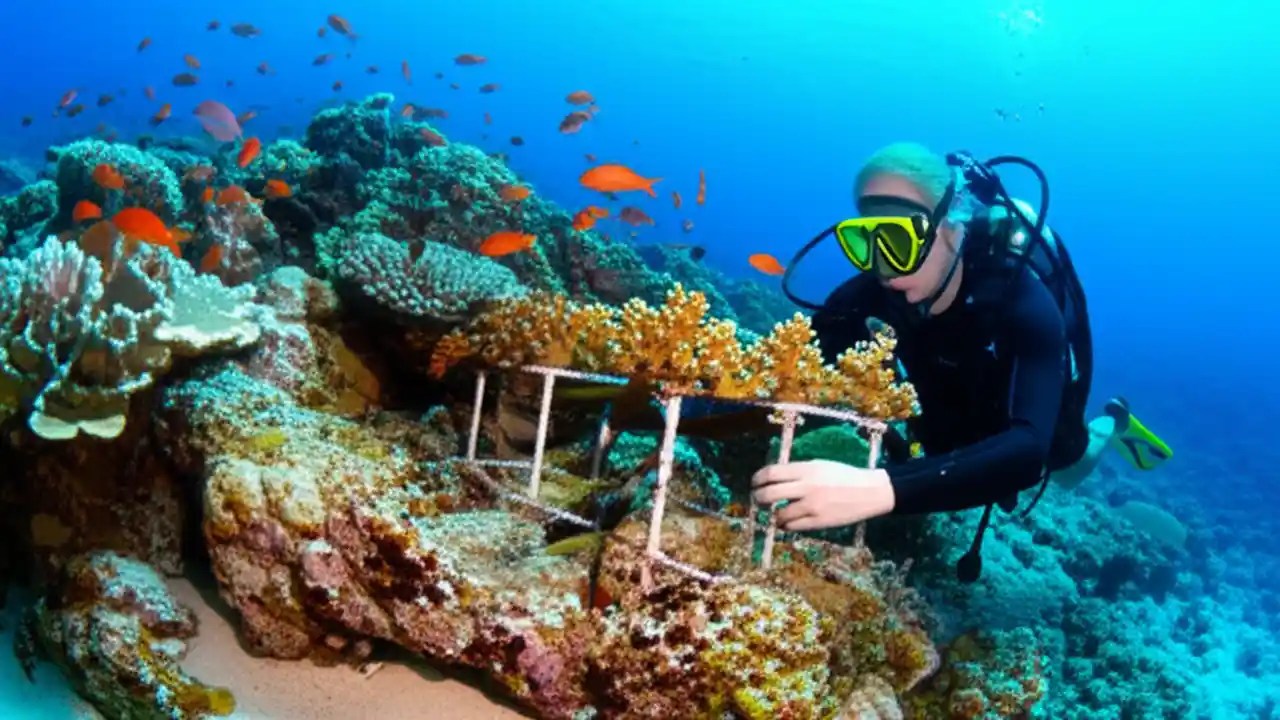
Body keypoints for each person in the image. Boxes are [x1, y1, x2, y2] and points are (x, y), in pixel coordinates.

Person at [751, 143, 1172, 580]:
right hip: (951, 420)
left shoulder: (1020, 299)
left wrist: (880, 489)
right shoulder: (871, 294)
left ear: (952, 228)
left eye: (898, 240)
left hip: (1026, 423)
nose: (884, 270)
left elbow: (1027, 453)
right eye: (866, 241)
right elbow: (792, 370)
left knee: (1068, 465)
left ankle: (1113, 423)